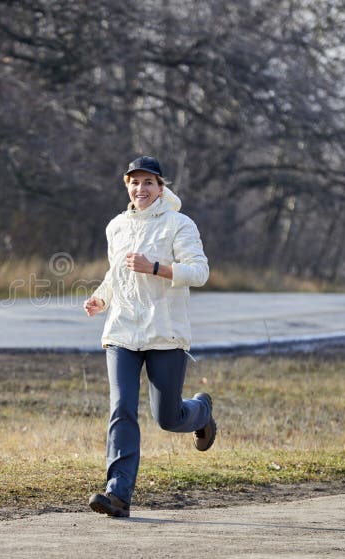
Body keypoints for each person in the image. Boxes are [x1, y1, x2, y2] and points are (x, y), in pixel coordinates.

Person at [83, 155, 216, 518]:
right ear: (127, 186)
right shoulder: (116, 226)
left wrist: (155, 268)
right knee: (121, 408)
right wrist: (101, 298)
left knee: (168, 417)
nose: (140, 189)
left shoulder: (179, 224)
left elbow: (199, 272)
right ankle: (118, 494)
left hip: (164, 333)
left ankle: (201, 413)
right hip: (122, 331)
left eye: (148, 183)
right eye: (134, 182)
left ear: (161, 187)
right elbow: (116, 274)